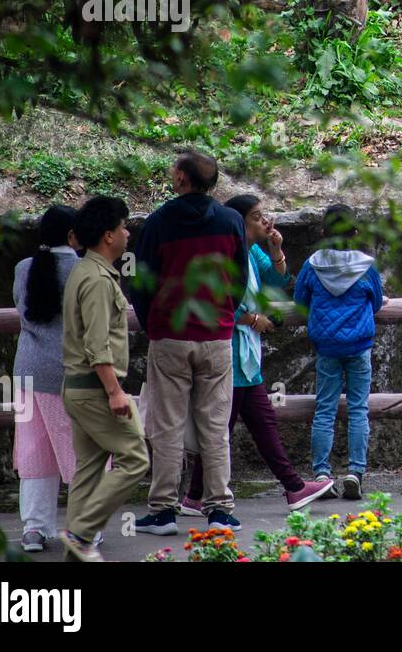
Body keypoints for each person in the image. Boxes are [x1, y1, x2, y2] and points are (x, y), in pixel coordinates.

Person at [181, 197, 334, 514]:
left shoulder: (250, 250)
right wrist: (252, 319)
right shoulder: (222, 253)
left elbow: (279, 280)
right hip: (228, 351)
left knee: (233, 426)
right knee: (232, 427)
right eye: (256, 217)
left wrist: (277, 249)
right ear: (237, 221)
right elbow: (217, 300)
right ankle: (292, 487)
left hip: (245, 358)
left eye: (264, 215)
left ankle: (194, 496)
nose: (264, 221)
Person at [131, 150, 246, 535]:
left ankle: (163, 510)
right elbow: (239, 280)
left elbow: (142, 284)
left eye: (173, 169)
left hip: (169, 337)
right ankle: (219, 509)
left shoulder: (159, 222)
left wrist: (153, 326)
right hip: (216, 336)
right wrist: (225, 315)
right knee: (215, 425)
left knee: (166, 426)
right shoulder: (231, 221)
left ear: (181, 178)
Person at [59, 196, 150, 562]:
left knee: (89, 469)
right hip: (95, 390)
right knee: (135, 459)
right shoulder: (96, 279)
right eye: (124, 227)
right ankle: (81, 535)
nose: (128, 233)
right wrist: (115, 392)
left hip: (79, 389)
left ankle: (75, 551)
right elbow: (97, 345)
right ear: (109, 235)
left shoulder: (86, 271)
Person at [294, 204, 385, 501]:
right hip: (359, 347)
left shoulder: (312, 265)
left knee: (325, 409)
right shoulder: (366, 267)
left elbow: (300, 301)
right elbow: (377, 301)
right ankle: (355, 472)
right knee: (358, 409)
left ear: (323, 233)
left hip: (327, 347)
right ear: (355, 233)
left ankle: (321, 473)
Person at [12, 206, 81, 552]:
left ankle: (34, 529)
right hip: (72, 376)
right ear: (72, 236)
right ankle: (86, 529)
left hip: (27, 374)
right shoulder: (85, 271)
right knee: (81, 451)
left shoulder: (24, 269)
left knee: (34, 451)